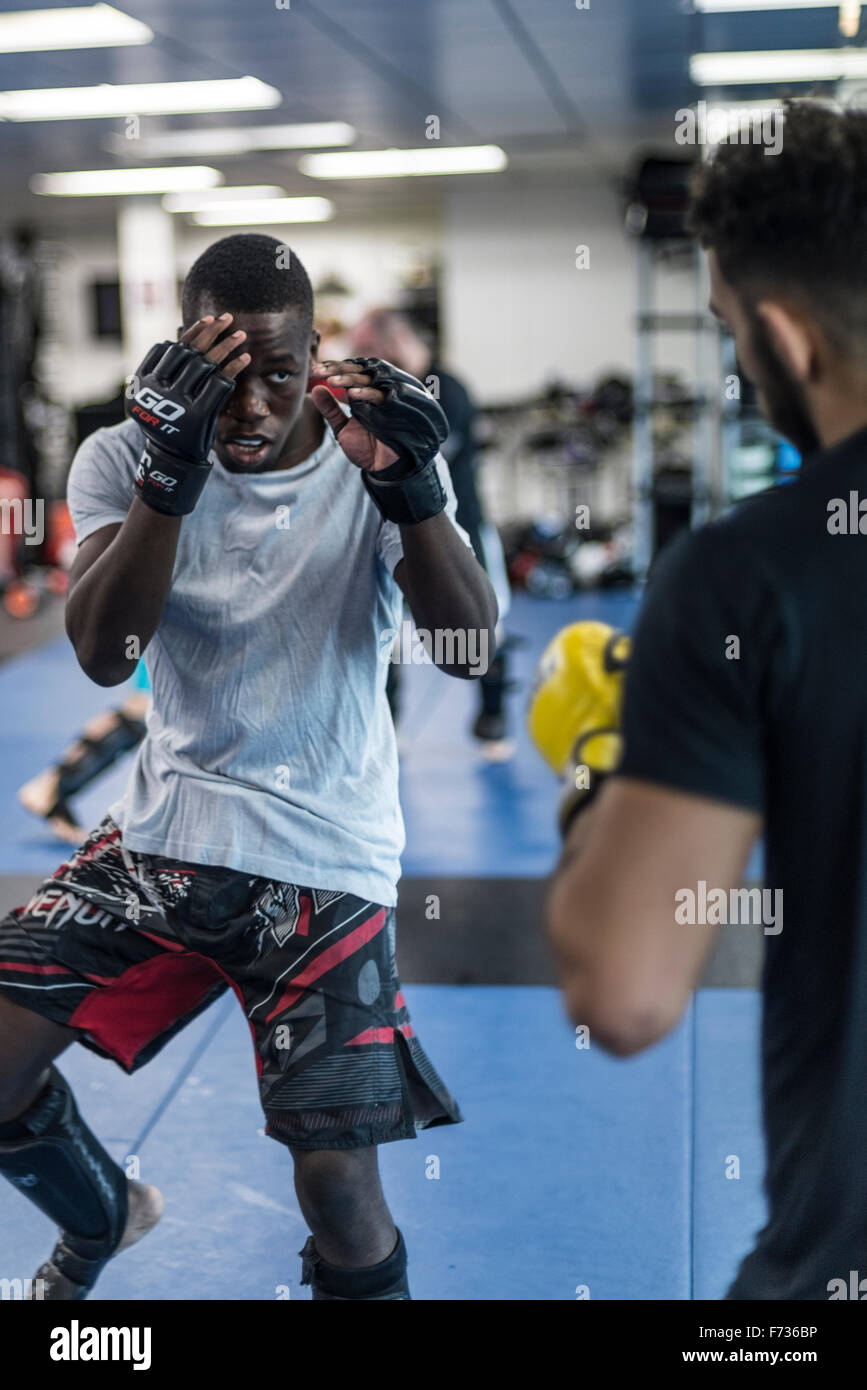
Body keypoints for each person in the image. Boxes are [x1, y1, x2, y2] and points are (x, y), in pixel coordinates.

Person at [0, 232, 497, 1300]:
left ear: (317, 355)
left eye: (280, 374)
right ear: (185, 355)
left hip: (324, 859)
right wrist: (168, 474)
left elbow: (469, 651)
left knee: (337, 1192)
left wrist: (412, 488)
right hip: (162, 842)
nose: (255, 407)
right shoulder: (123, 459)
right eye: (228, 376)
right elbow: (103, 655)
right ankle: (102, 1220)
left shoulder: (373, 457)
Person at [533, 101, 867, 1299]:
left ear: (785, 333)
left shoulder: (751, 571)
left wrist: (596, 761)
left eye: (731, 330)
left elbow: (623, 991)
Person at [351, 308, 514, 758]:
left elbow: (417, 456)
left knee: (481, 626)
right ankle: (387, 724)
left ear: (394, 344)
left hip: (461, 528)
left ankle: (493, 720)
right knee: (388, 631)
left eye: (368, 351)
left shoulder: (449, 390)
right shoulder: (380, 397)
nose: (362, 362)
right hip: (398, 523)